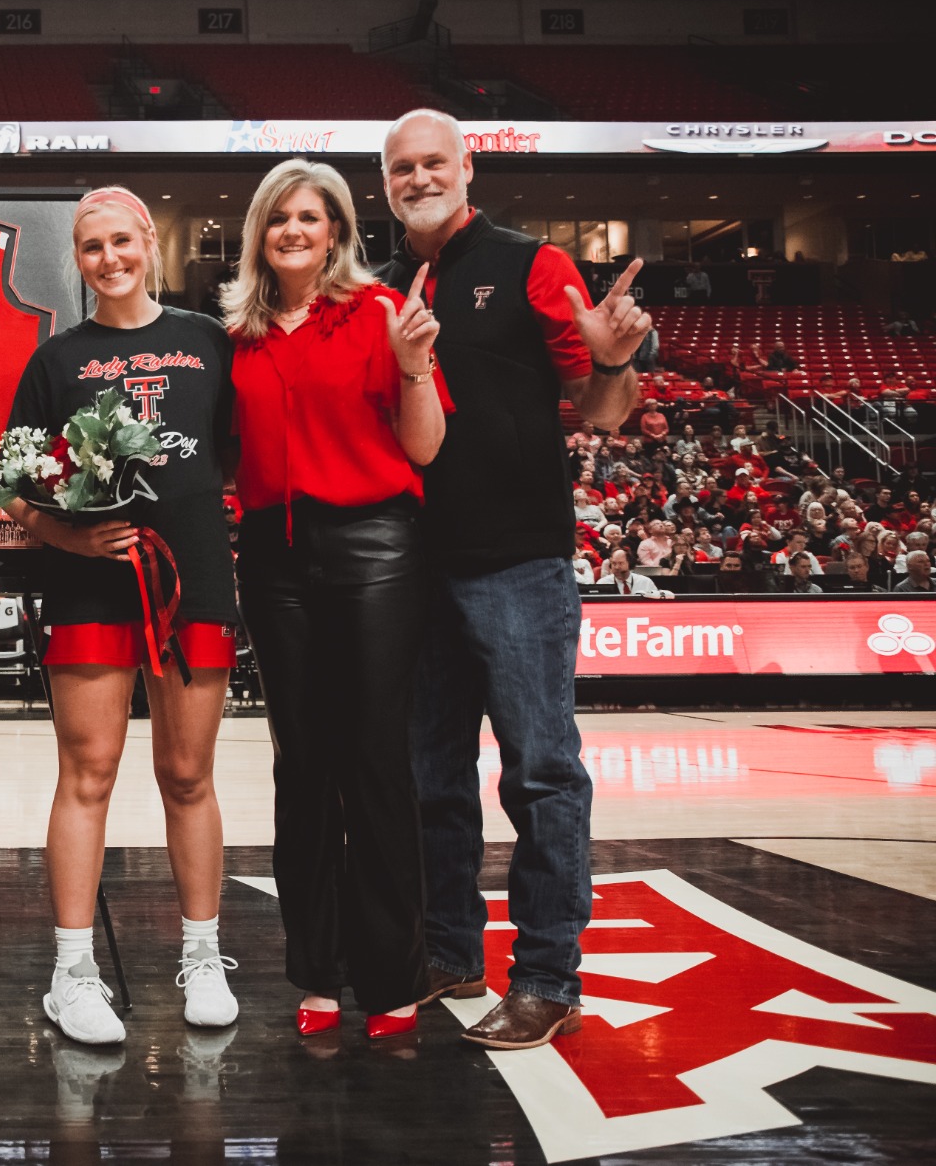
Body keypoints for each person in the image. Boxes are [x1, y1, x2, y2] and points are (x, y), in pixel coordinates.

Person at [378, 109, 650, 1051]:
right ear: (385, 184)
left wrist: (615, 359)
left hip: (519, 560)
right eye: (401, 167)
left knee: (540, 771)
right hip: (415, 564)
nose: (418, 177)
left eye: (432, 162)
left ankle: (547, 977)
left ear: (467, 168)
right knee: (430, 776)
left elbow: (603, 409)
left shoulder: (532, 263)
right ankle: (451, 951)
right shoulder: (381, 288)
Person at [0, 186, 238, 1046]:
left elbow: (234, 462)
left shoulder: (209, 341)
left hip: (195, 578)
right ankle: (71, 973)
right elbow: (14, 493)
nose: (109, 258)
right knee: (88, 774)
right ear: (79, 258)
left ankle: (203, 956)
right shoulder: (56, 360)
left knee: (187, 774)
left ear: (149, 242)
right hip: (92, 585)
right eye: (91, 247)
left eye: (121, 241)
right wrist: (73, 536)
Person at [226, 160, 447, 1040]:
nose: (293, 231)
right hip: (274, 560)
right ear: (258, 233)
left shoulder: (383, 316)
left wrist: (418, 370)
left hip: (375, 549)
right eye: (278, 218)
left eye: (310, 217)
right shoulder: (232, 334)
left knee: (374, 759)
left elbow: (424, 450)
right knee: (301, 762)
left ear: (337, 231)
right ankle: (317, 972)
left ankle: (394, 975)